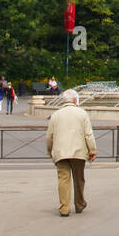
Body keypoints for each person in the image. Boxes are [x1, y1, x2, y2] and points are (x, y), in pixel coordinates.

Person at [44, 89, 97, 217]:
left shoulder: (55, 115)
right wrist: (92, 150)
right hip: (78, 152)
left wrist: (49, 150)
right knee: (79, 179)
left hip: (60, 152)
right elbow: (88, 134)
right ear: (74, 100)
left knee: (63, 179)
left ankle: (64, 208)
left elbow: (49, 136)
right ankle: (79, 204)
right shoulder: (82, 114)